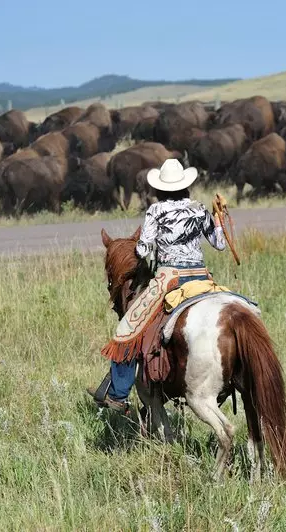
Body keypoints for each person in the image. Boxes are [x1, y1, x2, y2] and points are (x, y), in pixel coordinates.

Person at [88, 158, 227, 411]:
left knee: (127, 329)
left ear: (161, 189)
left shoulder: (156, 211)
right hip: (202, 278)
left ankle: (118, 395)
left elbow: (141, 249)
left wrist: (151, 246)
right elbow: (220, 244)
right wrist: (218, 219)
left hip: (170, 278)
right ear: (185, 186)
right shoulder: (198, 208)